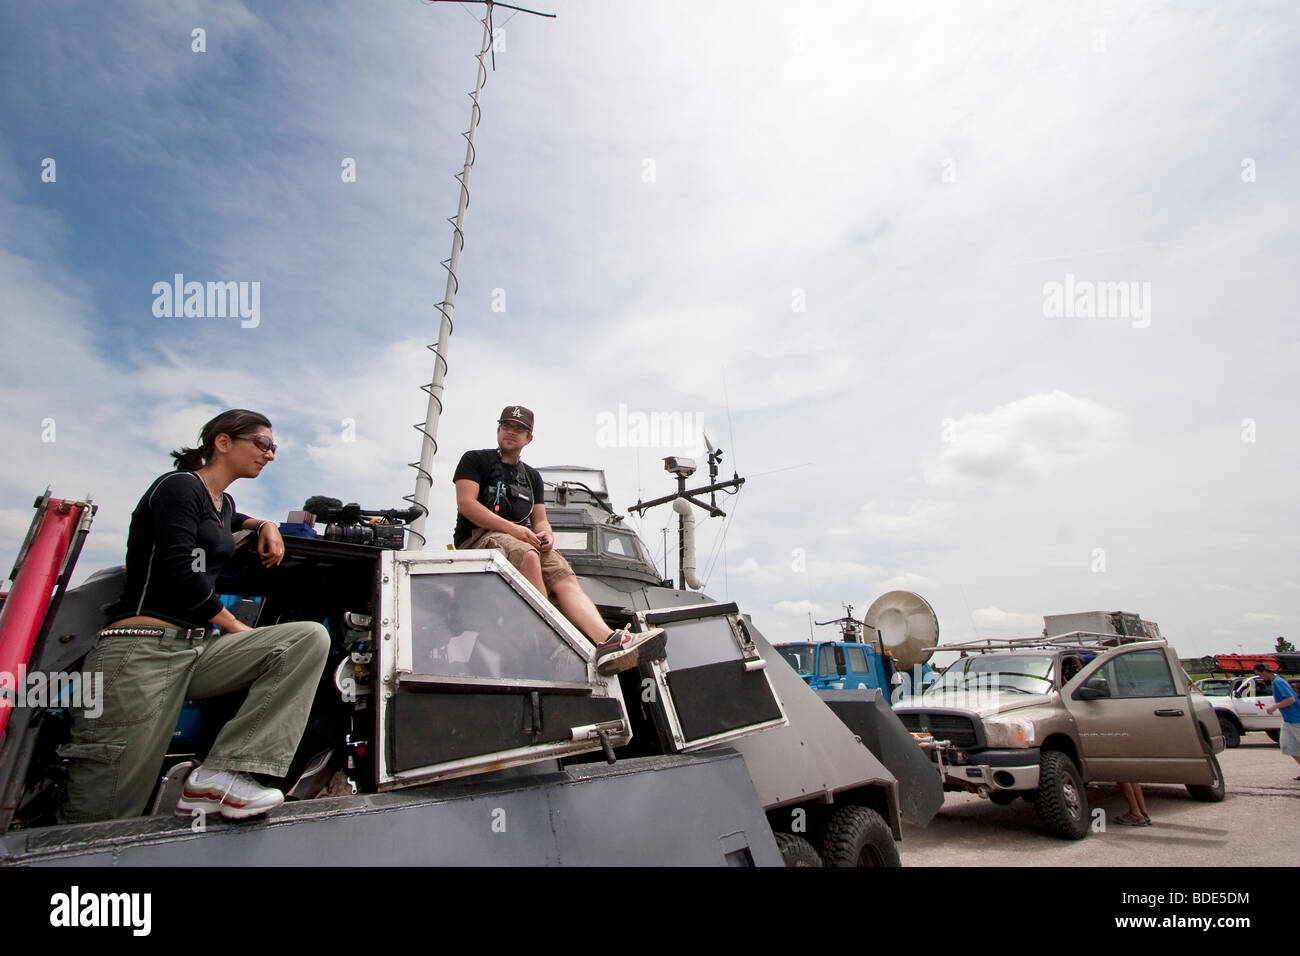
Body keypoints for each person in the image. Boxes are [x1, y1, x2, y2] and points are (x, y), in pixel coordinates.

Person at [58, 409, 330, 823]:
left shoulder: (223, 502)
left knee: (306, 639)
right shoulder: (178, 487)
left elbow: (229, 519)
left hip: (195, 649)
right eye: (263, 444)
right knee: (105, 811)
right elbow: (177, 572)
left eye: (273, 447)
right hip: (140, 652)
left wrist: (265, 524)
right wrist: (236, 626)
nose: (270, 455)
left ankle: (221, 773)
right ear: (223, 442)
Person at [453, 405, 666, 675]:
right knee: (528, 556)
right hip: (479, 538)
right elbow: (467, 505)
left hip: (519, 539)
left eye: (519, 429)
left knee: (563, 573)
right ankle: (551, 636)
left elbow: (539, 519)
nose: (511, 432)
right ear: (498, 429)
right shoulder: (474, 460)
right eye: (506, 426)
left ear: (528, 438)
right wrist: (517, 531)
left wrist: (547, 535)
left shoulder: (531, 477)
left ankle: (607, 641)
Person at [1255, 662, 1300, 779]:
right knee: (1288, 746)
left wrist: (1274, 707)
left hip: (1296, 719)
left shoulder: (1278, 682)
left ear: (1264, 672)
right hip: (1288, 720)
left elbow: (1290, 700)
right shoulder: (1276, 682)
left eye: (1259, 674)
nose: (1260, 677)